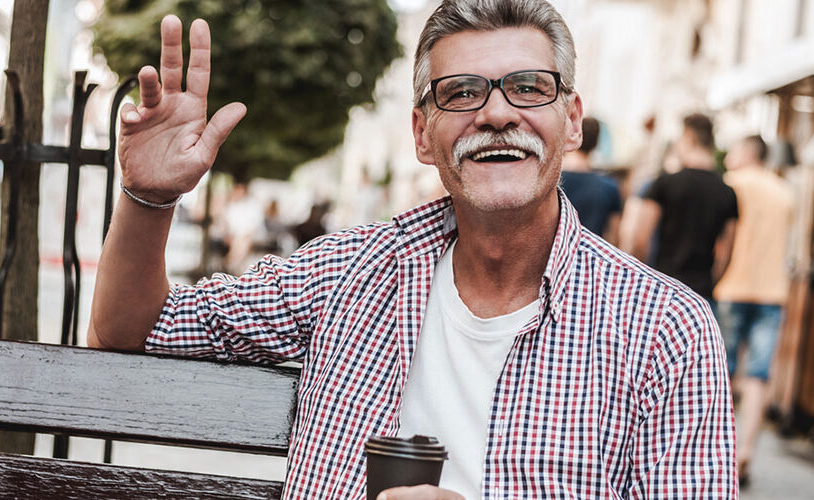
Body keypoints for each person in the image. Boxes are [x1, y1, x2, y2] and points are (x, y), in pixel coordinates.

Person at [87, 1, 737, 498]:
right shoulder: (347, 272)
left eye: (529, 87)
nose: (497, 113)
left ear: (571, 121)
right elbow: (130, 330)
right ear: (423, 135)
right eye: (462, 92)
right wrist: (149, 198)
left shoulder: (665, 329)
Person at [713, 135, 795, 487]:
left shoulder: (731, 184)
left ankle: (720, 453)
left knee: (723, 371)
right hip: (772, 290)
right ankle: (745, 451)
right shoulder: (784, 192)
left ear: (748, 152)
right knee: (759, 375)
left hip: (732, 285)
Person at [625, 113, 738, 306]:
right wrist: (710, 283)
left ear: (689, 137)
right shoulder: (727, 192)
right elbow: (727, 252)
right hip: (701, 295)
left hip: (661, 290)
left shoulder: (665, 184)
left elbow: (640, 240)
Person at [560, 116, 622, 243]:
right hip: (591, 252)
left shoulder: (548, 182)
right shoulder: (609, 187)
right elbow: (613, 237)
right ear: (596, 143)